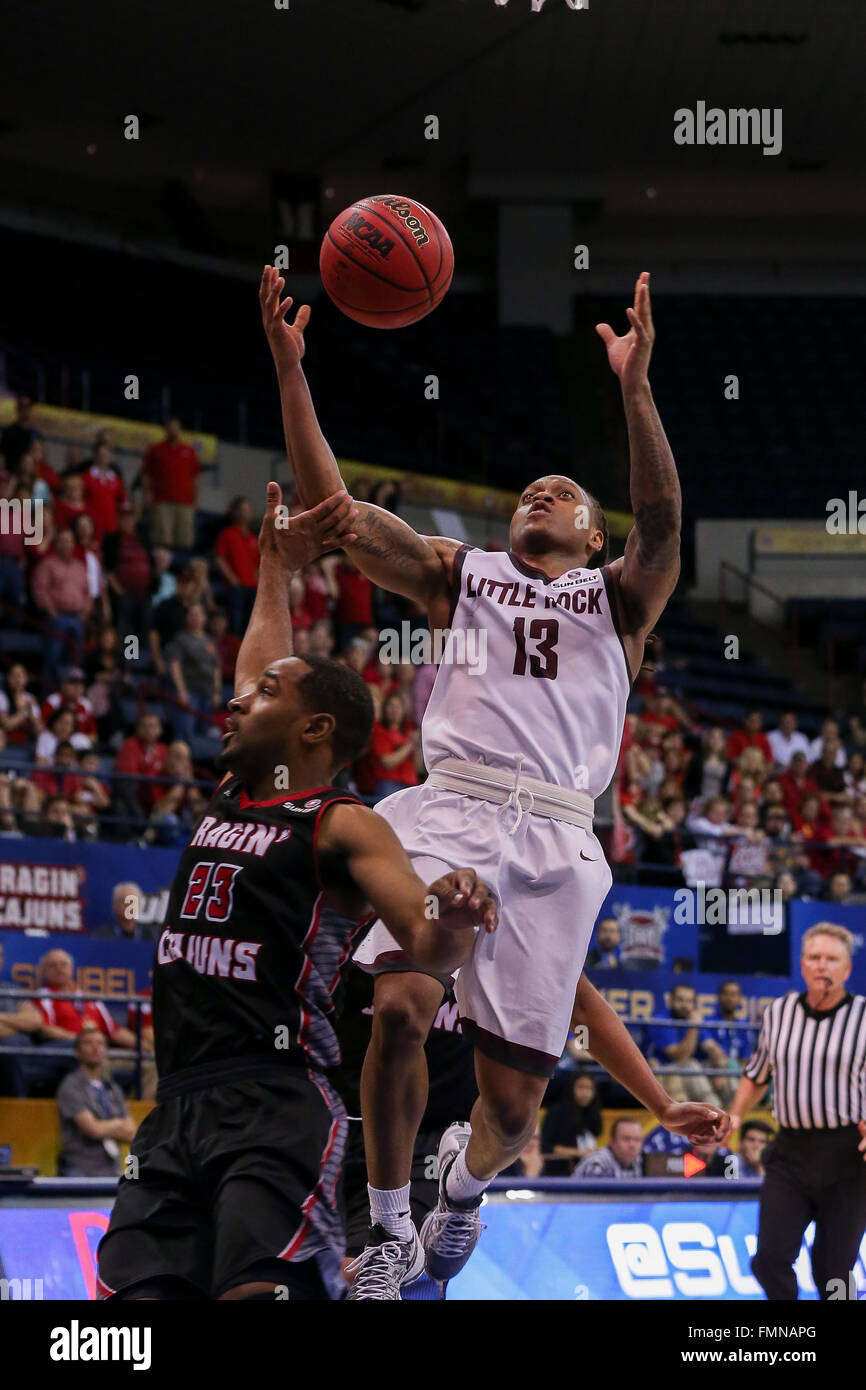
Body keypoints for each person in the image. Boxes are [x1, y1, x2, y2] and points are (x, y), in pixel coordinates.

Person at [260, 265, 728, 1296]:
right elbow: (336, 515)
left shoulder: (619, 600)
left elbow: (661, 521)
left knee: (511, 1115)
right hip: (450, 807)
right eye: (530, 488)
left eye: (561, 493)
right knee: (398, 1008)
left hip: (559, 836)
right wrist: (292, 372)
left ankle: (458, 1194)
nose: (537, 494)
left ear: (590, 536)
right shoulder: (457, 573)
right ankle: (386, 1225)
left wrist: (635, 385)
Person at [95, 485, 498, 1303]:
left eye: (265, 697)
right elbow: (261, 663)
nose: (238, 699)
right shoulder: (236, 791)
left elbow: (424, 945)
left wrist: (454, 918)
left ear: (314, 731)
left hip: (275, 1104)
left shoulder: (343, 823)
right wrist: (274, 567)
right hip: (175, 1105)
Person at [730, 924, 866, 1301]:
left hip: (848, 1156)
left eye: (831, 959)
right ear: (802, 965)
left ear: (847, 969)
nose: (822, 965)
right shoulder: (779, 1012)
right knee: (769, 1261)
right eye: (814, 957)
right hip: (790, 1151)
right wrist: (736, 1116)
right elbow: (757, 1073)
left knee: (833, 1271)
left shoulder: (863, 1017)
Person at [337, 961, 478, 1300]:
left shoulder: (499, 942)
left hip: (430, 1141)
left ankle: (461, 1194)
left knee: (370, 1277)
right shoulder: (366, 928)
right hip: (333, 1123)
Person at [56, 1028, 137, 1177]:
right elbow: (93, 1130)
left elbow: (131, 1133)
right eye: (88, 1043)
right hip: (79, 1170)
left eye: (100, 1043)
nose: (95, 1047)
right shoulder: (70, 1086)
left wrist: (103, 1126)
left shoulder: (113, 1088)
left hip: (111, 1169)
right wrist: (118, 1123)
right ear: (77, 1052)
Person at [648, 983, 724, 1109]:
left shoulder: (691, 1017)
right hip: (663, 1068)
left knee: (728, 1068)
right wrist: (693, 1026)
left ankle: (739, 1114)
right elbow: (680, 1056)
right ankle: (714, 1109)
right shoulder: (660, 1020)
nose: (685, 1005)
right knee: (690, 1065)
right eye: (680, 1000)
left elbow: (712, 1048)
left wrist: (719, 1071)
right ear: (670, 1001)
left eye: (689, 1001)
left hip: (686, 1069)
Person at [139, 418, 201, 548]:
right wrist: (146, 496)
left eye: (176, 427)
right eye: (170, 427)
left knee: (184, 541)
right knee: (162, 540)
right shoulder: (155, 449)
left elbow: (195, 478)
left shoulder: (189, 451)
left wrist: (195, 501)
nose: (173, 430)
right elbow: (145, 475)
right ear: (166, 430)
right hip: (161, 502)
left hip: (184, 503)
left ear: (180, 430)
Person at [541, 1072, 602, 1175]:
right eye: (581, 1087)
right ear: (571, 1088)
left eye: (590, 1088)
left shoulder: (594, 1113)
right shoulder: (556, 1112)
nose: (585, 1093)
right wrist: (579, 1153)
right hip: (560, 1171)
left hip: (589, 1169)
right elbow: (546, 1146)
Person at [214, 496, 259, 635]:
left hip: (252, 587)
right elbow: (219, 558)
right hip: (236, 587)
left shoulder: (254, 539)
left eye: (247, 510)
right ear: (235, 512)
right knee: (236, 625)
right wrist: (232, 578)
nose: (245, 513)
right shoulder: (227, 534)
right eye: (242, 510)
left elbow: (258, 565)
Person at [369, 692, 420, 799]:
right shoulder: (379, 731)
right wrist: (410, 745)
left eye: (398, 706)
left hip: (410, 784)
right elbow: (387, 763)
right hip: (389, 784)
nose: (395, 710)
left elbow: (417, 766)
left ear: (403, 711)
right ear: (385, 709)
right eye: (391, 706)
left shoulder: (407, 732)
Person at [573, 1117, 645, 1178]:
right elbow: (602, 1194)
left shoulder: (636, 1161)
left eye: (637, 1140)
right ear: (612, 1141)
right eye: (626, 1139)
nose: (632, 1145)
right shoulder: (597, 1162)